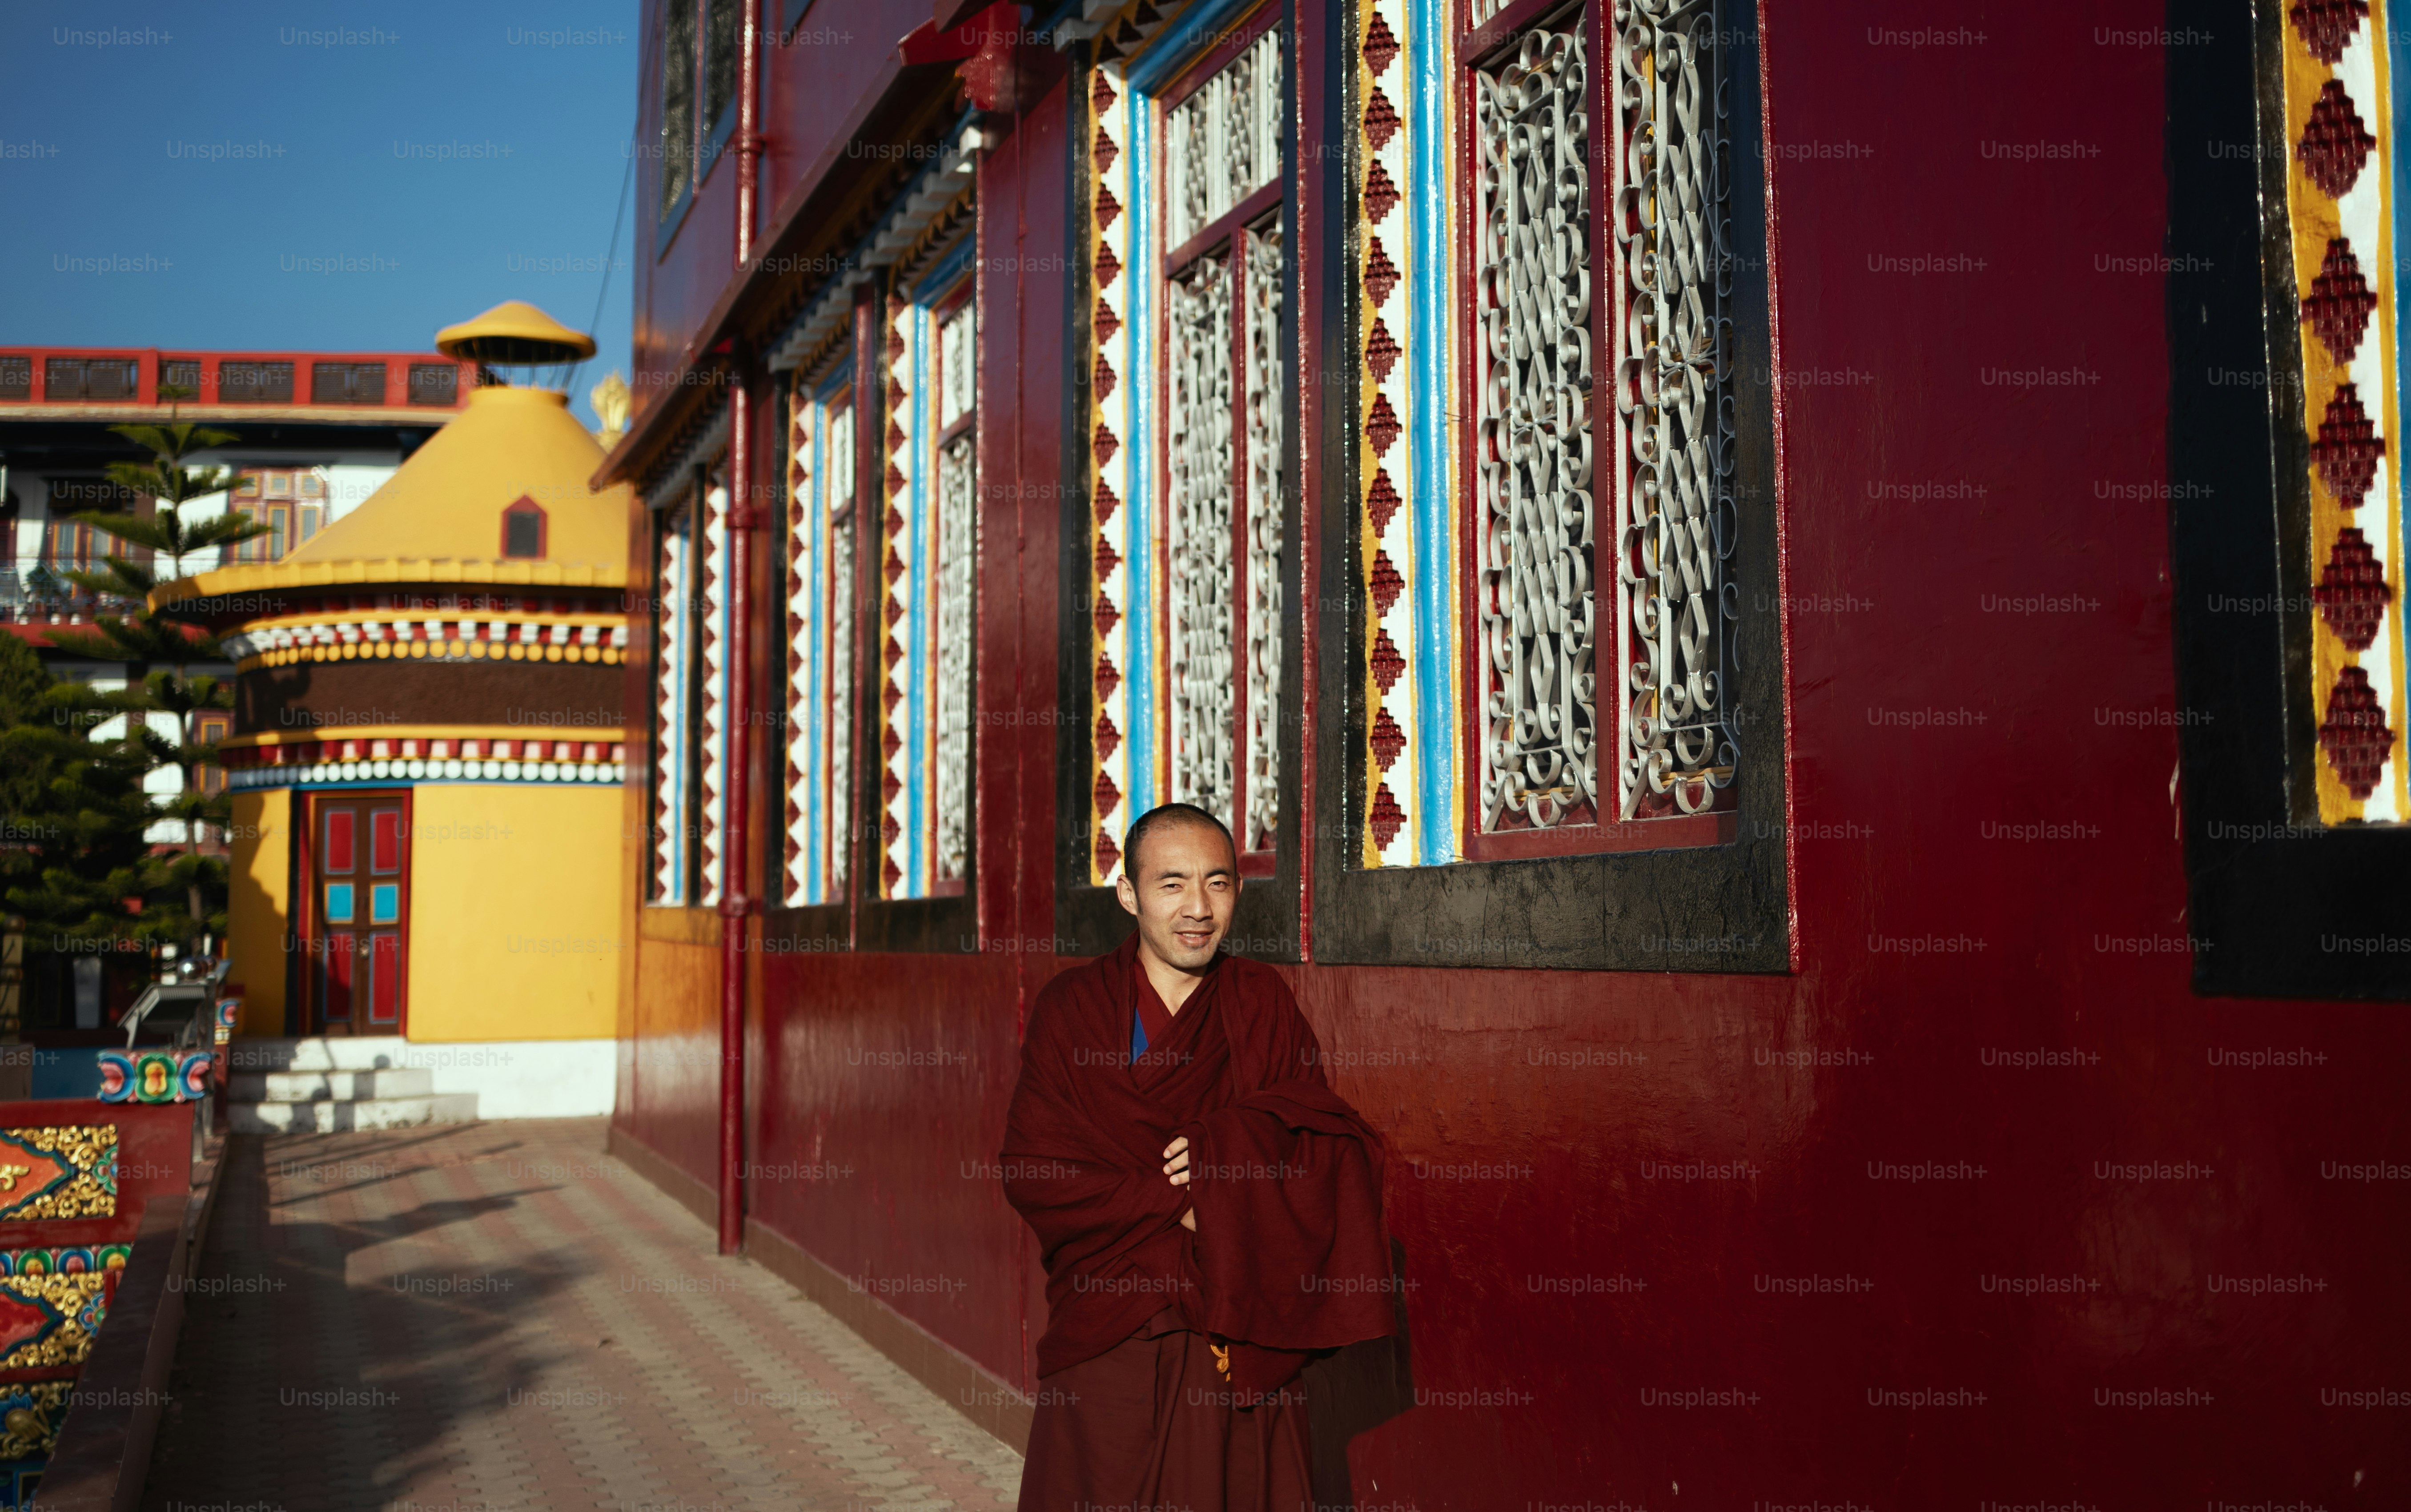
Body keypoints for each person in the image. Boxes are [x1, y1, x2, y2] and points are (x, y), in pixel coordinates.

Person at [1002, 802, 1397, 1512]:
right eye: (1171, 884)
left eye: (1217, 884)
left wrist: (1226, 1182)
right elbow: (1035, 1169)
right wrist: (1181, 1201)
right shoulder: (1074, 1009)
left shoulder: (1258, 1003)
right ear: (1129, 894)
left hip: (1231, 1315)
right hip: (1110, 1314)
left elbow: (1320, 1151)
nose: (1197, 909)